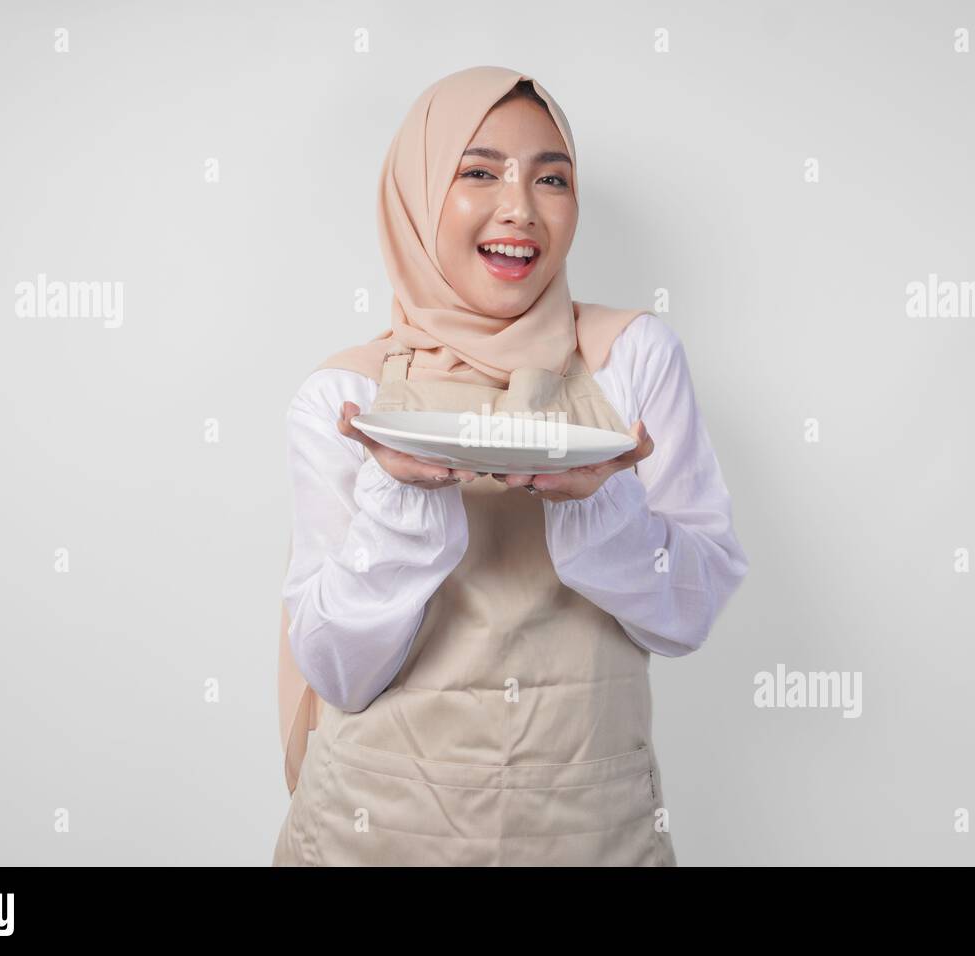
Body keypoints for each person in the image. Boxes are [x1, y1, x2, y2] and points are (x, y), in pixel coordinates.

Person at [272, 65, 749, 866]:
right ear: (418, 195)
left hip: (589, 830)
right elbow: (335, 673)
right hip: (373, 829)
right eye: (479, 171)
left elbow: (688, 617)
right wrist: (402, 498)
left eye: (550, 178)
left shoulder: (633, 356)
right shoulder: (347, 398)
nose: (520, 208)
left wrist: (598, 507)